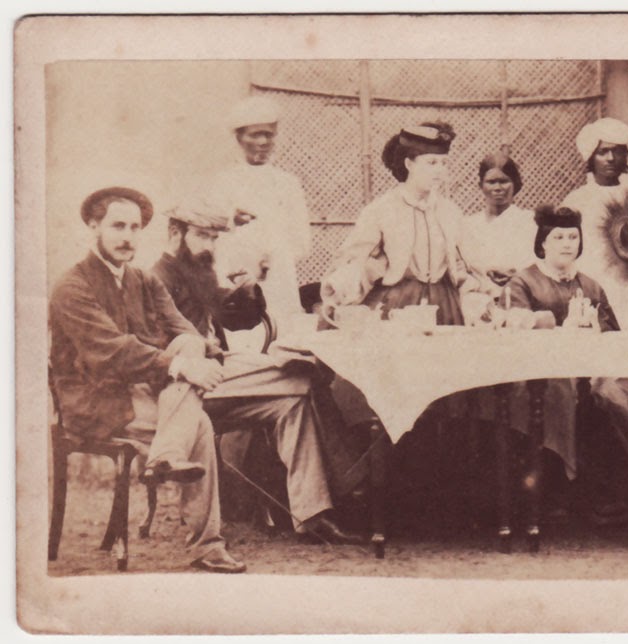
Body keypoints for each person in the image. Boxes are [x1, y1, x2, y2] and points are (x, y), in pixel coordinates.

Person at [49, 187, 245, 573]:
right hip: (97, 400)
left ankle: (167, 457)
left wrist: (196, 353)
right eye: (117, 226)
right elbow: (111, 349)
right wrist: (182, 367)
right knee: (200, 423)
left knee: (190, 341)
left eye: (135, 228)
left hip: (149, 392)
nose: (128, 237)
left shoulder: (144, 281)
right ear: (93, 227)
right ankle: (207, 544)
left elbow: (182, 329)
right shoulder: (72, 287)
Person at [150, 201, 365, 544]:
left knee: (294, 402)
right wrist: (208, 350)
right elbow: (158, 349)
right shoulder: (158, 278)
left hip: (219, 373)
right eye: (202, 236)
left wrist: (249, 288)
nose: (210, 245)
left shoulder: (198, 270)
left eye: (214, 238)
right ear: (176, 234)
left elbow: (236, 316)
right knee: (304, 377)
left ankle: (313, 515)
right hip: (184, 389)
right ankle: (353, 481)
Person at [560, 118, 628, 490]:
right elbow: (570, 260)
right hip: (594, 301)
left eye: (618, 152)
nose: (612, 159)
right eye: (604, 152)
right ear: (590, 157)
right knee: (594, 392)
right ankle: (595, 487)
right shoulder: (577, 203)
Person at [505, 204, 619, 516]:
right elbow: (515, 333)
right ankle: (552, 488)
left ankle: (595, 493)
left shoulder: (591, 285)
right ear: (543, 242)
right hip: (534, 375)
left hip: (587, 373)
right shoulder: (524, 282)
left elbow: (612, 333)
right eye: (559, 237)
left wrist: (593, 329)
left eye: (573, 236)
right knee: (558, 392)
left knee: (608, 396)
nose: (568, 243)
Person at [322, 122, 490, 323]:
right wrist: (339, 293)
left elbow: (467, 263)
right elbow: (355, 258)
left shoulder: (450, 212)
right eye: (431, 163)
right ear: (409, 164)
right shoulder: (382, 209)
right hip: (396, 304)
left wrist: (477, 294)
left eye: (443, 163)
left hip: (445, 305)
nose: (439, 171)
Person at [206, 95, 312, 340]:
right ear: (239, 137)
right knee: (239, 342)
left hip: (277, 280)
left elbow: (302, 240)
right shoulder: (222, 183)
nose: (263, 142)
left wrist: (277, 256)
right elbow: (209, 234)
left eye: (269, 134)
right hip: (234, 281)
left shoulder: (287, 184)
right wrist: (232, 224)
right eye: (255, 134)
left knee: (280, 338)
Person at [460, 153, 537, 293]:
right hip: (479, 298)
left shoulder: (529, 222)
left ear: (515, 184)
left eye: (504, 181)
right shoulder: (469, 225)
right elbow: (464, 268)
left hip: (520, 294)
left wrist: (516, 274)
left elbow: (538, 265)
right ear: (481, 185)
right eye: (491, 182)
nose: (498, 187)